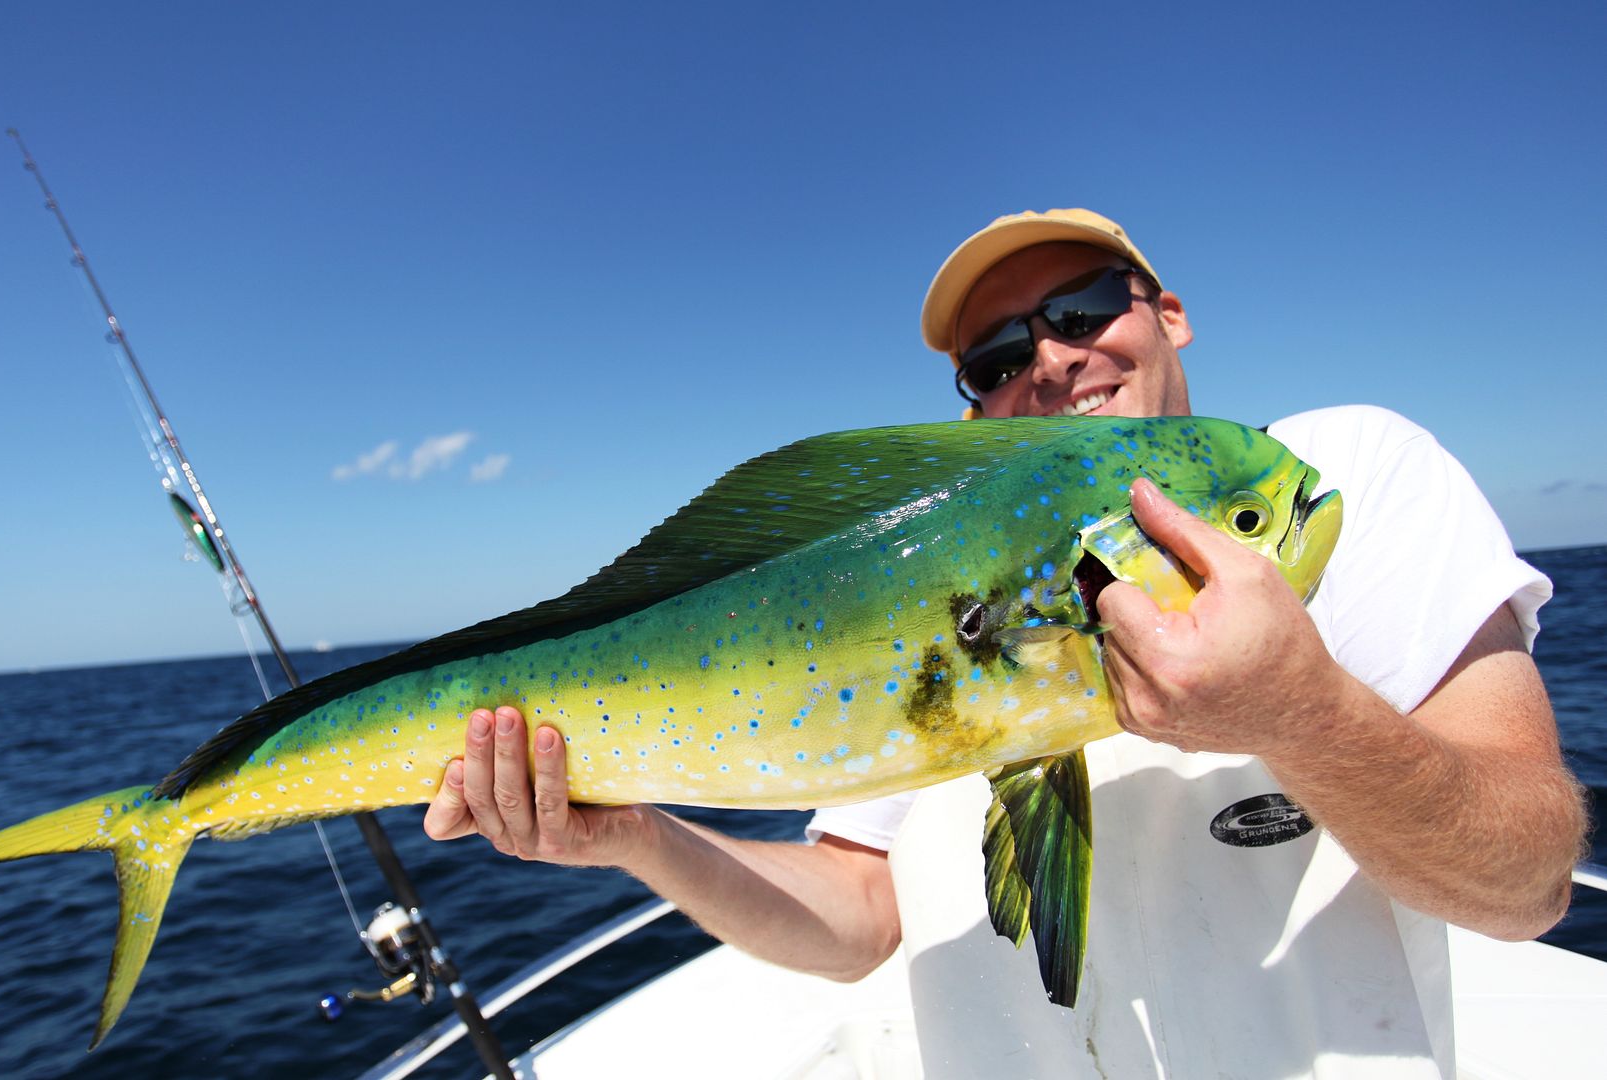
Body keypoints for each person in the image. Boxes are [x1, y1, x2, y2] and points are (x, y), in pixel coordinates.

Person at [424, 209, 1587, 1076]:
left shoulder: (1349, 472)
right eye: (994, 359)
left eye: (1082, 308)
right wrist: (637, 835)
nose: (1047, 357)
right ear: (971, 414)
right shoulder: (931, 582)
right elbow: (854, 919)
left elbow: (1522, 884)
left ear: (1164, 311)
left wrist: (1297, 714)